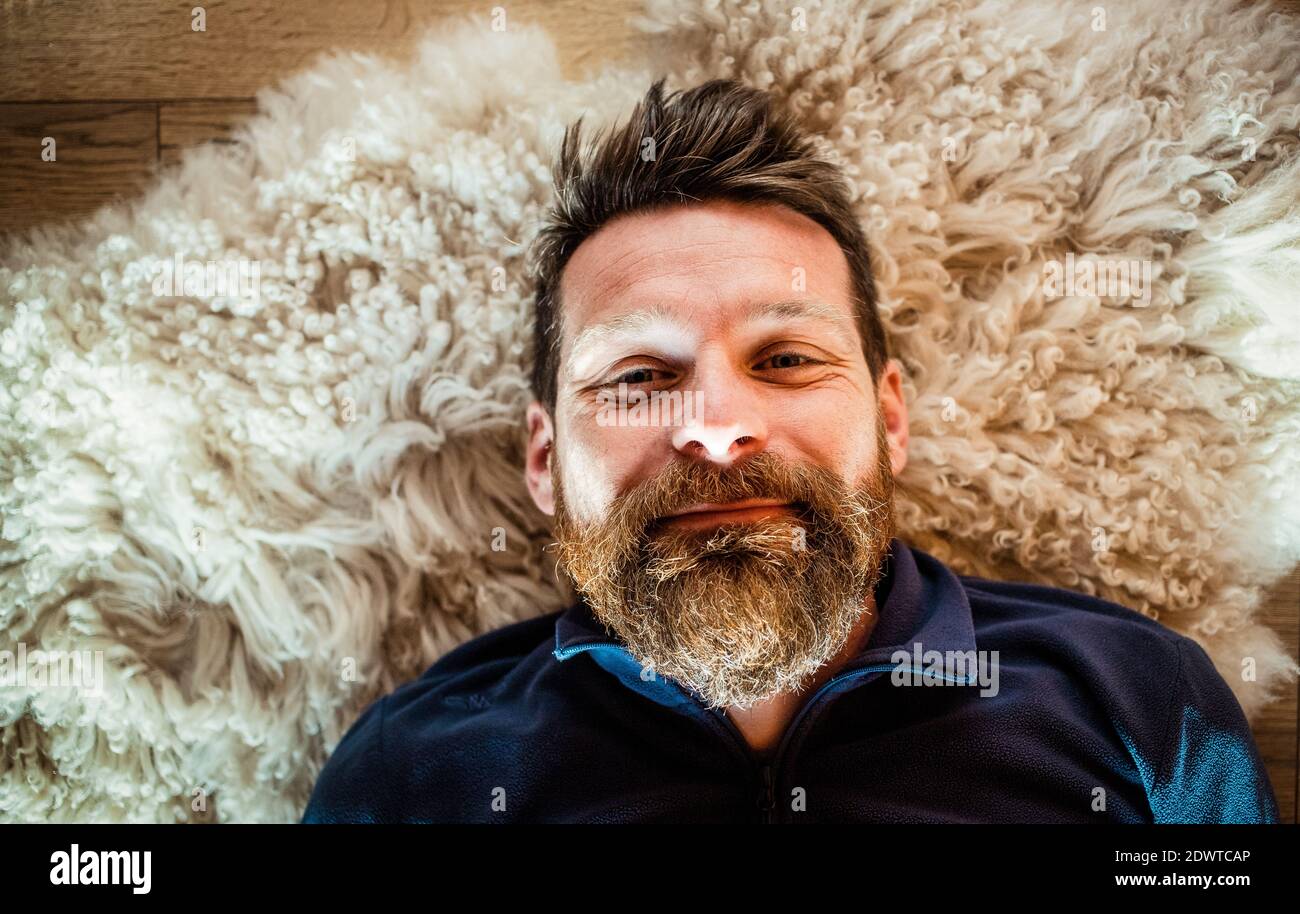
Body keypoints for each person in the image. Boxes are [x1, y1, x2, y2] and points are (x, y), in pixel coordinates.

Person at [302, 78, 1279, 824]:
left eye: (785, 355)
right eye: (639, 375)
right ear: (544, 456)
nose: (719, 426)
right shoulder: (406, 772)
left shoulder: (1144, 705)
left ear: (890, 419)